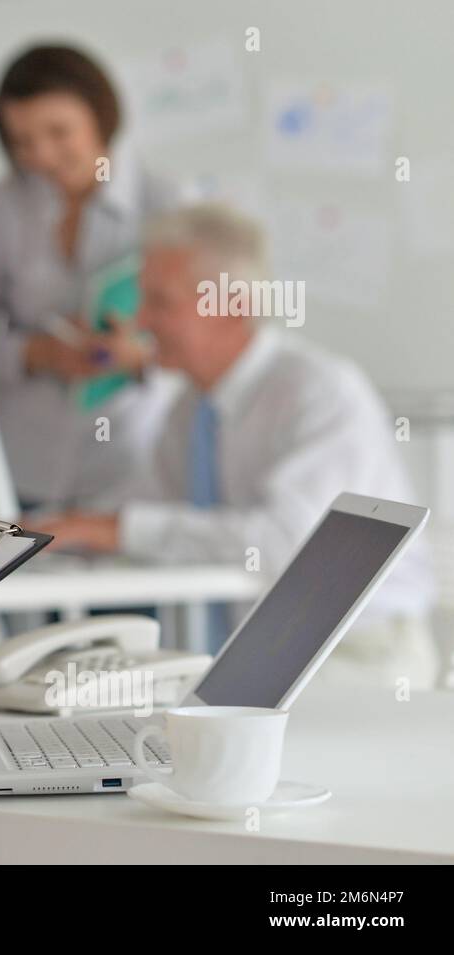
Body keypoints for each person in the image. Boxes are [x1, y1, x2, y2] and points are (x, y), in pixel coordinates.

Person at [34, 204, 439, 686]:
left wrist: (117, 529)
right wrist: (57, 534)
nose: (140, 320)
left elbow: (287, 542)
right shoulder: (191, 406)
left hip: (359, 656)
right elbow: (147, 510)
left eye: (160, 302)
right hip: (265, 656)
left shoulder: (318, 391)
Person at [0, 45, 182, 512]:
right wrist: (34, 354)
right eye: (23, 141)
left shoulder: (164, 204)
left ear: (100, 118)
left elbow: (202, 335)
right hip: (21, 461)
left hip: (128, 463)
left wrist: (140, 354)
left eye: (58, 132)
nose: (43, 155)